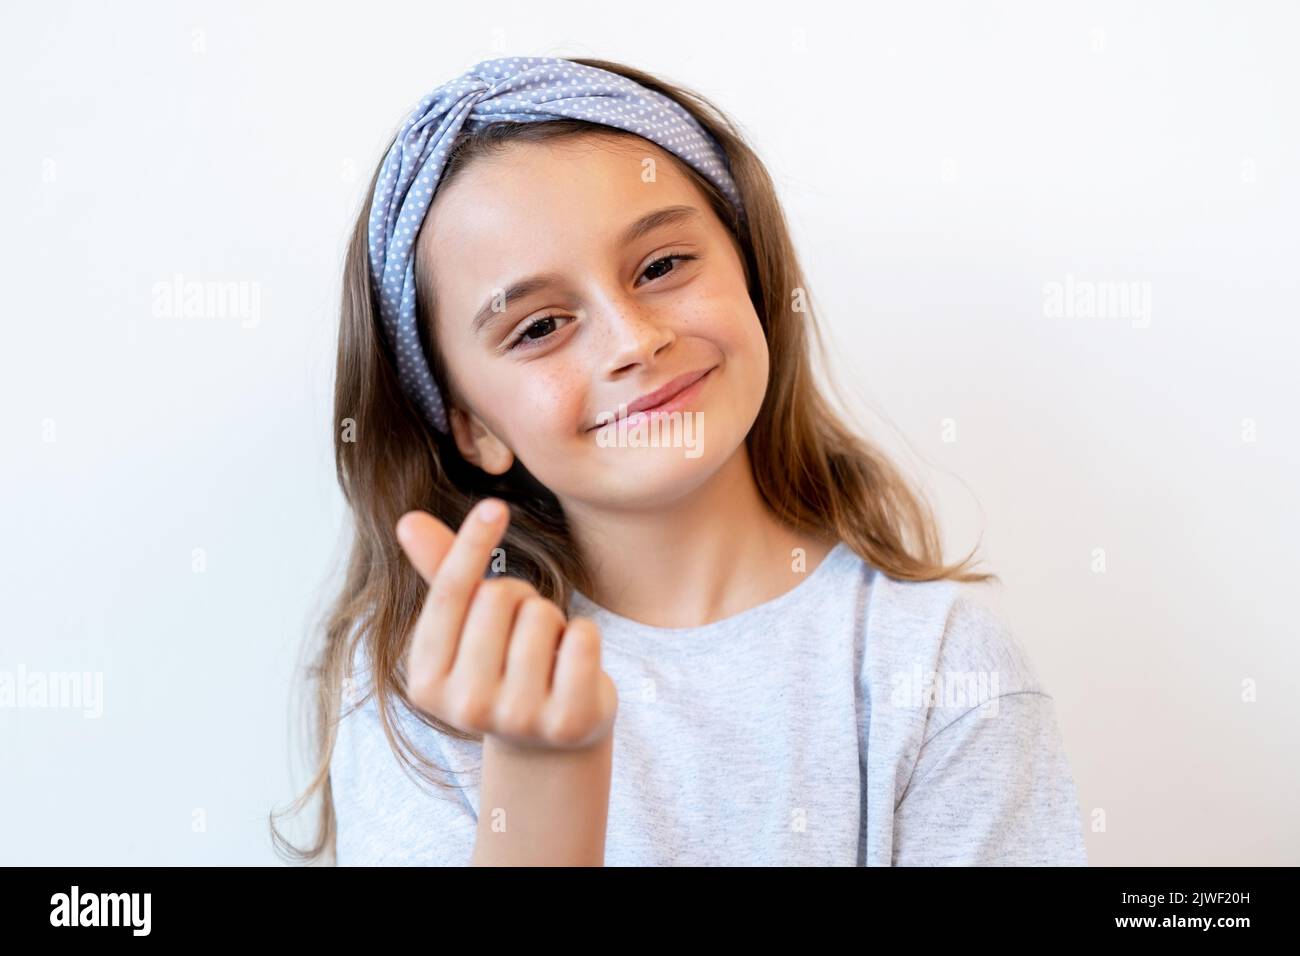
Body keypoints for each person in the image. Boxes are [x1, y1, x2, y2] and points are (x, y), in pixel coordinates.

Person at [270, 55, 1087, 866]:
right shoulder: (429, 691)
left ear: (753, 274)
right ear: (473, 425)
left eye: (661, 267)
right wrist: (542, 784)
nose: (633, 341)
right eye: (541, 326)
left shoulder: (940, 668)